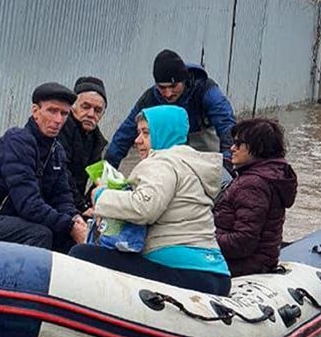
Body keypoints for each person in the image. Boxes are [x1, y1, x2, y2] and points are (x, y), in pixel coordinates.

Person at [70, 104, 230, 295]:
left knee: (82, 254)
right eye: (138, 133)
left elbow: (144, 208)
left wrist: (101, 196)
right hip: (216, 274)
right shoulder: (190, 164)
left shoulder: (162, 162)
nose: (137, 140)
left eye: (146, 133)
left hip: (183, 271)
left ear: (164, 133)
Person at [0, 82, 89, 251]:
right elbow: (28, 205)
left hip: (10, 219)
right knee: (40, 234)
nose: (58, 120)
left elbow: (61, 197)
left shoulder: (56, 151)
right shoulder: (17, 142)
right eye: (52, 111)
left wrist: (75, 218)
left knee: (66, 235)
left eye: (64, 113)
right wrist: (69, 225)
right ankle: (25, 270)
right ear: (35, 111)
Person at [106, 49, 236, 167]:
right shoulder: (150, 98)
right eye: (162, 87)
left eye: (173, 86)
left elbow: (227, 126)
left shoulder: (205, 90)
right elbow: (124, 134)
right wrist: (106, 169)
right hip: (167, 157)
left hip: (203, 149)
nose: (168, 94)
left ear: (184, 80)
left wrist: (228, 162)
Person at [213, 118, 297, 276]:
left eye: (238, 144)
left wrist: (201, 240)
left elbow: (243, 242)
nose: (232, 148)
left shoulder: (253, 185)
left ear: (258, 148)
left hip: (245, 264)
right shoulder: (269, 176)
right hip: (261, 260)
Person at [58, 76, 108, 213]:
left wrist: (91, 203)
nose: (91, 114)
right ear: (72, 107)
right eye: (85, 107)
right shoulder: (60, 130)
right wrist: (81, 206)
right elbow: (63, 174)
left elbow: (98, 177)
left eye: (97, 110)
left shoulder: (96, 139)